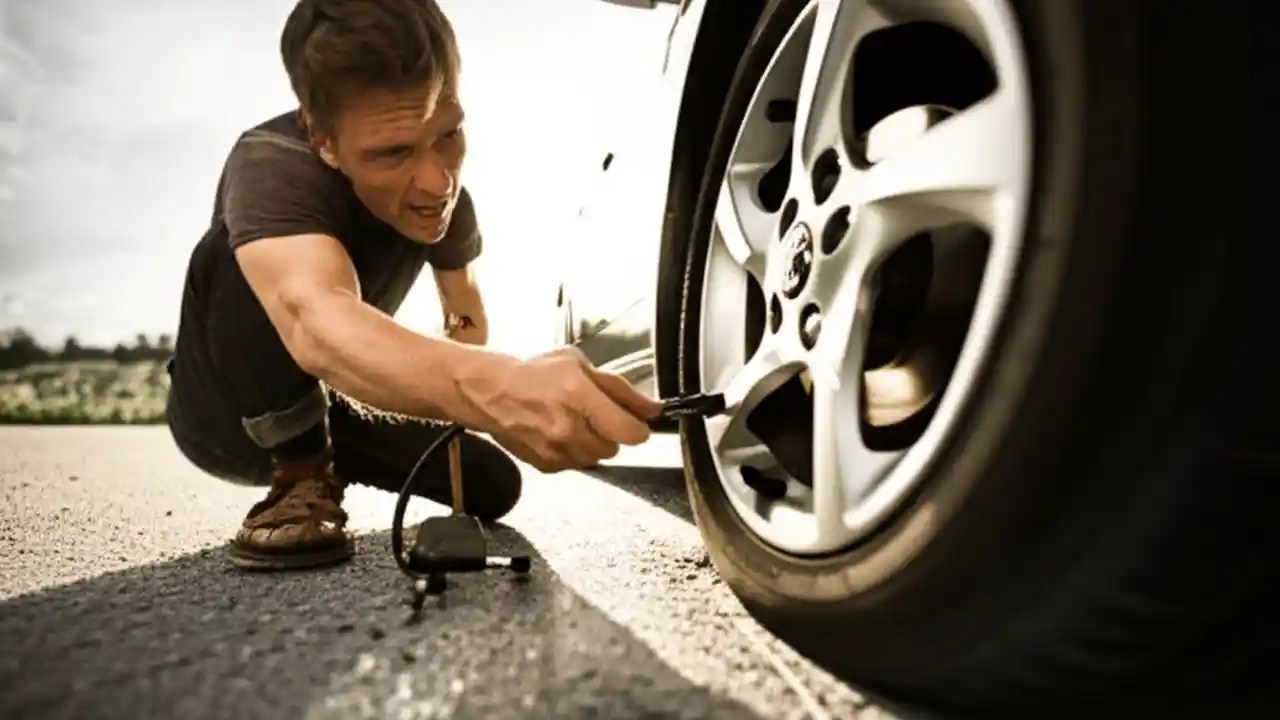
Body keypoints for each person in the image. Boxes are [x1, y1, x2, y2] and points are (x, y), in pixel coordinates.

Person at [164, 0, 662, 571]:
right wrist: (496, 388)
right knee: (229, 255)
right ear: (324, 141)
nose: (436, 182)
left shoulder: (451, 206)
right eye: (392, 153)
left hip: (335, 395)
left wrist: (489, 396)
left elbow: (465, 318)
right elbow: (313, 318)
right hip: (226, 413)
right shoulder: (273, 166)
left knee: (491, 484)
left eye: (448, 134)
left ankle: (326, 451)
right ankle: (301, 472)